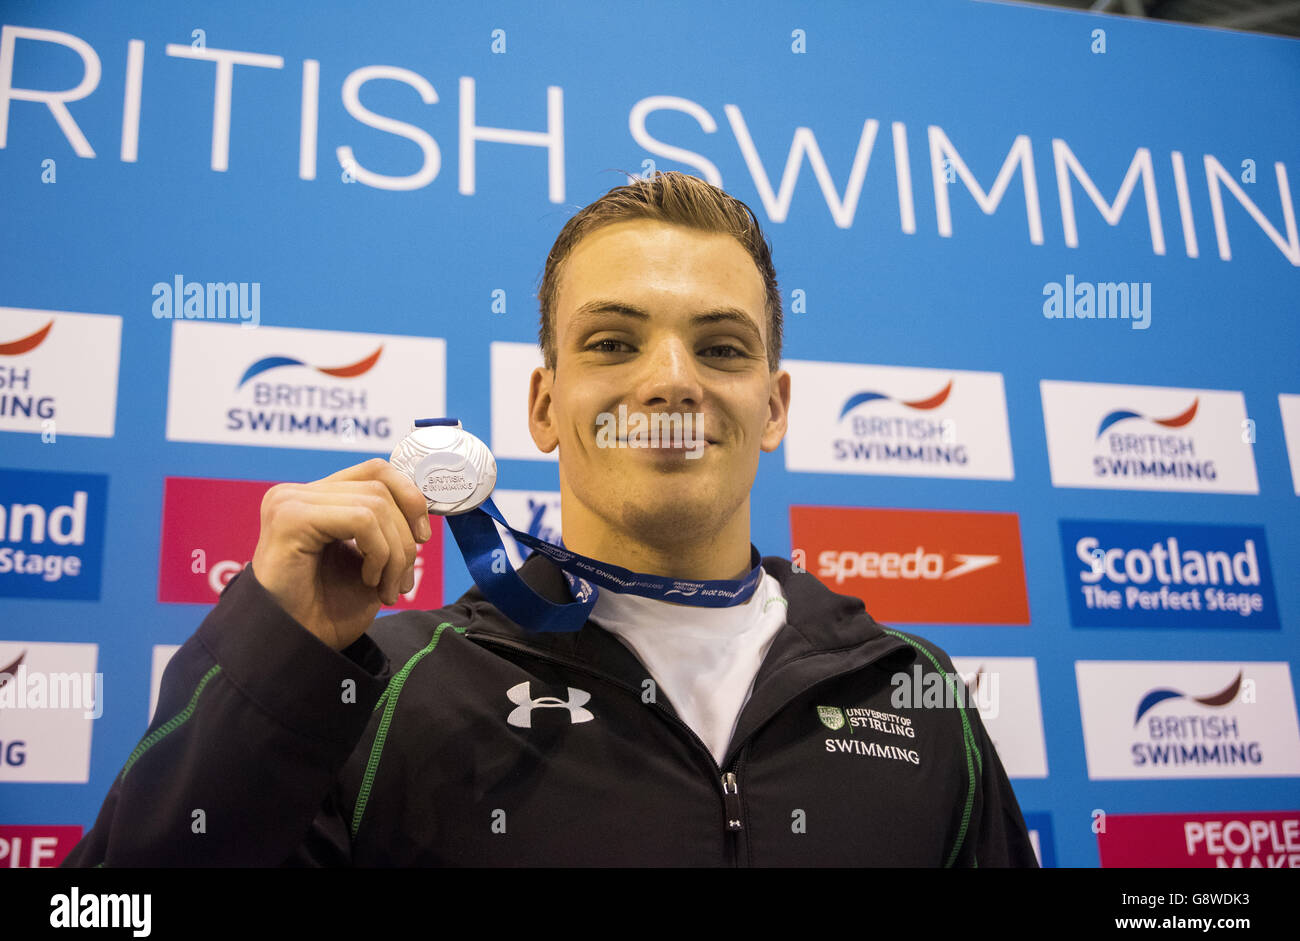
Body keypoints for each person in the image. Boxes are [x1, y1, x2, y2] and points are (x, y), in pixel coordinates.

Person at [64, 171, 1037, 867]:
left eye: (722, 347)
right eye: (614, 342)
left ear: (773, 407)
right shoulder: (384, 688)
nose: (669, 380)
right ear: (543, 404)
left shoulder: (914, 693)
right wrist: (275, 659)